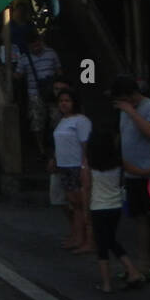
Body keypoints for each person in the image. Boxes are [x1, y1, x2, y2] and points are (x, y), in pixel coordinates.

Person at [112, 74, 150, 281]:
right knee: (140, 220)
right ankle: (142, 264)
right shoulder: (123, 111)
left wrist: (131, 112)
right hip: (132, 173)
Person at [86, 131, 146, 293]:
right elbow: (138, 172)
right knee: (110, 240)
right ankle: (131, 271)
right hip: (115, 205)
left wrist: (86, 211)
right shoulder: (118, 162)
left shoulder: (90, 163)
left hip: (98, 206)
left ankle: (107, 283)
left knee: (103, 245)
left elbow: (87, 187)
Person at [50, 89, 92, 253]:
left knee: (82, 204)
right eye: (61, 101)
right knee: (74, 204)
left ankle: (87, 240)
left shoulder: (81, 120)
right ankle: (76, 237)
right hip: (64, 166)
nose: (64, 104)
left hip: (77, 165)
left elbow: (85, 144)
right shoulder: (61, 121)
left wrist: (84, 165)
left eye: (67, 100)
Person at [15, 33, 61, 161]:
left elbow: (59, 71)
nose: (36, 48)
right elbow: (18, 75)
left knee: (57, 119)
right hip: (34, 93)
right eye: (33, 46)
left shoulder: (51, 53)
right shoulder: (24, 58)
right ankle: (41, 149)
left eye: (37, 44)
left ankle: (56, 147)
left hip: (52, 93)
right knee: (37, 122)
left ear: (41, 41)